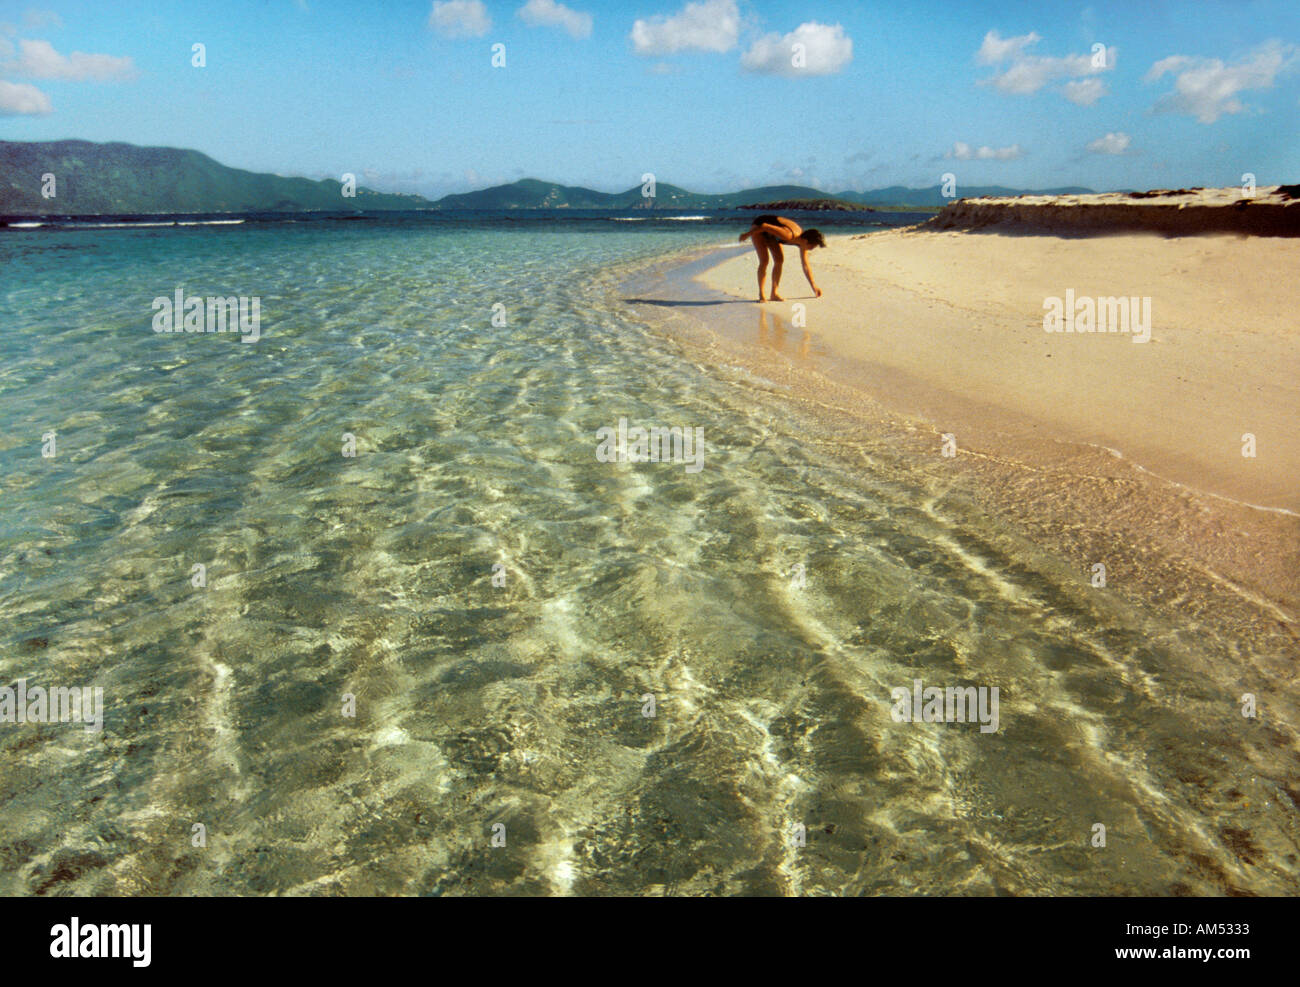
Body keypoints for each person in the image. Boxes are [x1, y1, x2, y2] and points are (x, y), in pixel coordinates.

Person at [738, 214, 826, 301]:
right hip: (759, 227)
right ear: (806, 241)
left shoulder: (803, 243)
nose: (811, 249)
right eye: (812, 247)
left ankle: (774, 294)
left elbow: (806, 266)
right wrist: (746, 235)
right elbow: (764, 226)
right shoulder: (789, 235)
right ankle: (761, 294)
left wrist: (814, 286)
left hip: (772, 233)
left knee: (779, 260)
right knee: (764, 261)